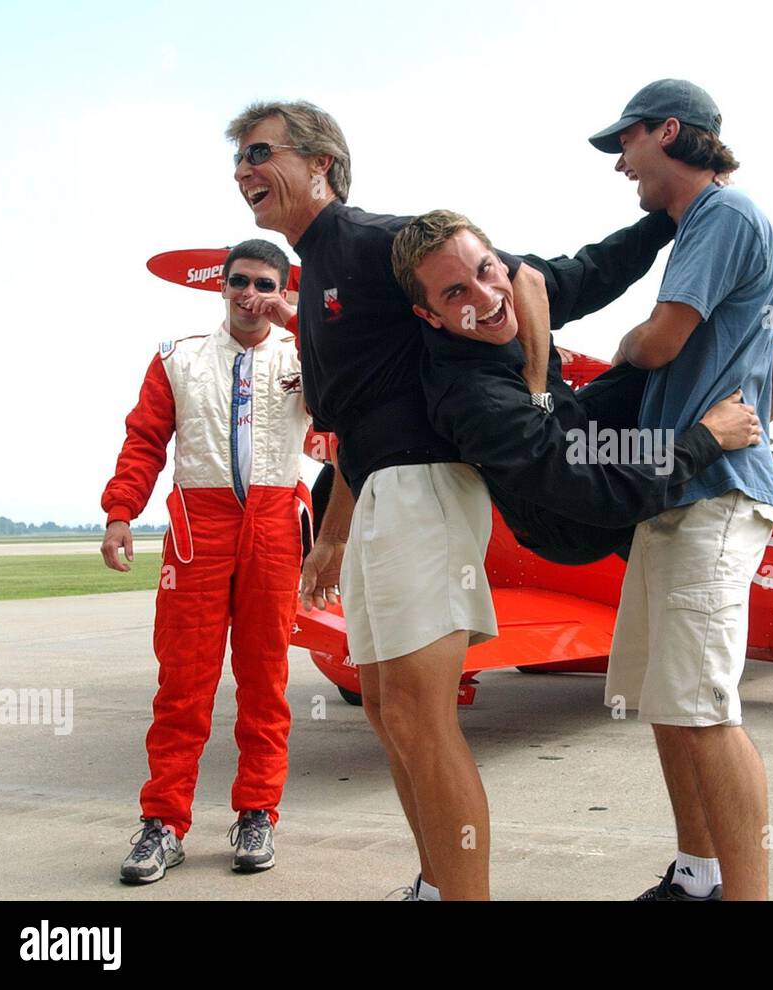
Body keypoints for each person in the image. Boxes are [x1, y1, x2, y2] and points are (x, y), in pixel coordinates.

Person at [225, 100, 567, 901]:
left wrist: (532, 395)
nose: (244, 170)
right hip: (380, 492)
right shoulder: (316, 278)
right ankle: (437, 884)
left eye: (261, 151)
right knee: (385, 707)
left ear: (322, 165)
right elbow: (354, 423)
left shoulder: (374, 239)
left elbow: (523, 279)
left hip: (426, 490)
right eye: (238, 158)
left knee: (422, 715)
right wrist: (333, 536)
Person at [587, 79, 773, 901]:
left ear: (668, 132)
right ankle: (697, 875)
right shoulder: (741, 231)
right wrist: (747, 423)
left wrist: (627, 342)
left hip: (709, 495)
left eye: (627, 145)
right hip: (683, 493)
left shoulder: (722, 216)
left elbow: (658, 342)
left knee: (706, 707)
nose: (621, 167)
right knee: (667, 700)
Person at [100, 239, 310, 883]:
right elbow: (145, 439)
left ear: (282, 291)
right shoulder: (178, 357)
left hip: (275, 527)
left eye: (265, 285)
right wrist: (119, 513)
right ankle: (163, 823)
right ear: (220, 287)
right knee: (183, 686)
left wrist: (297, 320)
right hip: (199, 528)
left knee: (265, 682)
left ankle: (257, 813)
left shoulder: (308, 356)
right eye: (240, 282)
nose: (251, 295)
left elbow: (348, 395)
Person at [392, 208, 764, 564]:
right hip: (571, 523)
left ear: (500, 261)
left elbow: (593, 272)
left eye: (485, 270)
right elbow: (602, 493)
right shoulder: (479, 402)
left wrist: (669, 215)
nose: (486, 298)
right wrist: (707, 438)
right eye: (456, 293)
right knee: (663, 449)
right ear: (429, 316)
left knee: (673, 356)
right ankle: (705, 452)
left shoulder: (516, 292)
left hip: (572, 427)